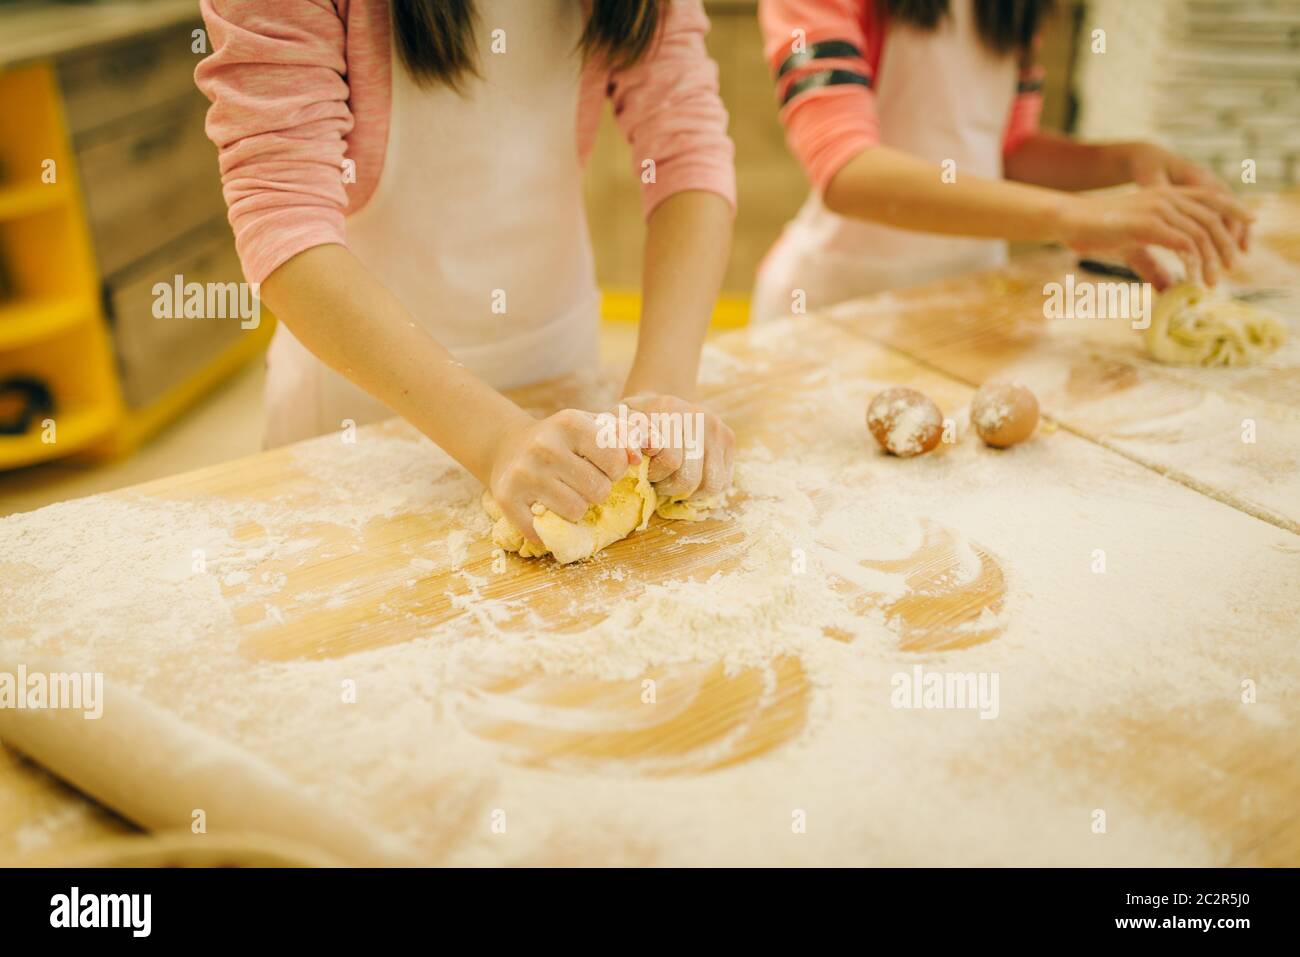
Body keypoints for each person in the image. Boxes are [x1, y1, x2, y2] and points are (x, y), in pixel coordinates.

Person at [196, 0, 737, 546]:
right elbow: (284, 216)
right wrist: (498, 439)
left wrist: (659, 393)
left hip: (558, 369)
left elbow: (686, 151)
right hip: (360, 413)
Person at [751, 0, 1253, 321]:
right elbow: (847, 171)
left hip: (968, 295)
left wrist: (1126, 162)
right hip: (838, 306)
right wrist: (1072, 217)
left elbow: (1003, 152)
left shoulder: (1015, 8)